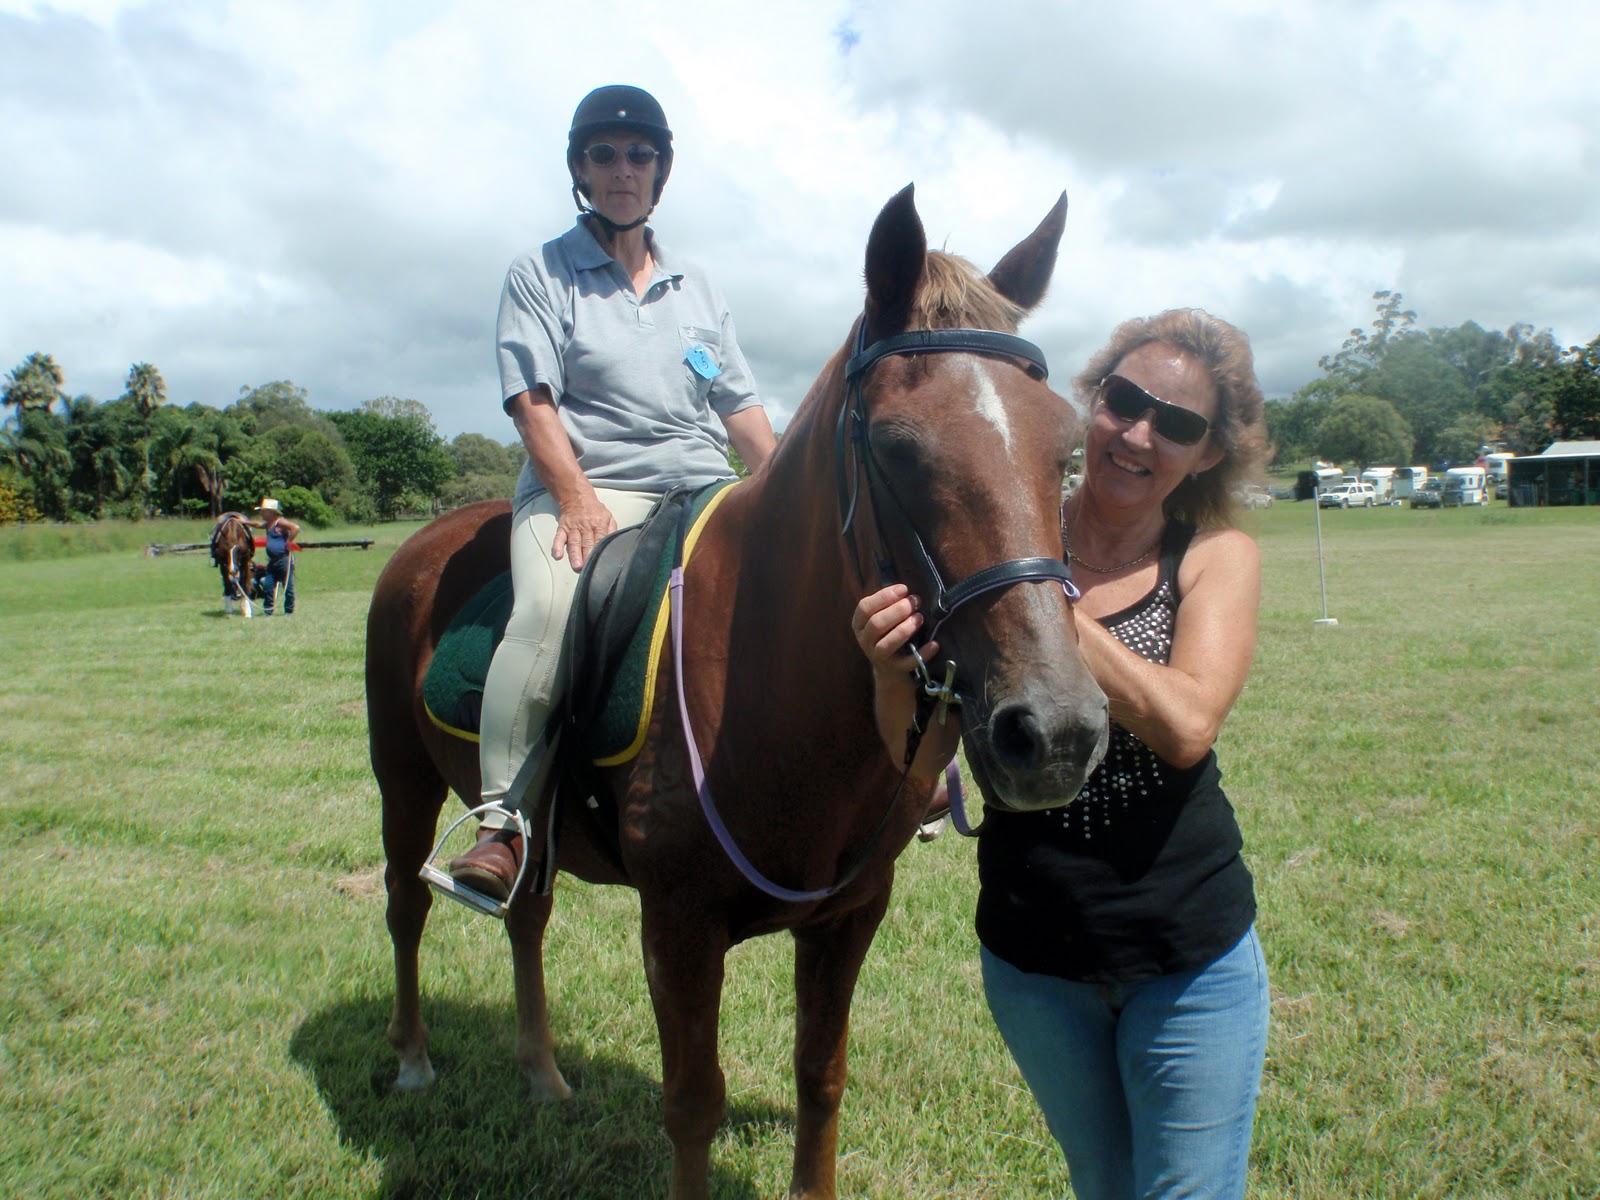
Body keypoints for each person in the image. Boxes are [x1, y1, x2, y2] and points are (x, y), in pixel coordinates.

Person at [853, 309, 1271, 1199]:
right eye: (1125, 401)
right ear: (1092, 402)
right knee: (1104, 1184)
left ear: (1206, 456)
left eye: (1179, 425)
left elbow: (1188, 724)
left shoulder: (1214, 556)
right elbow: (919, 765)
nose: (1140, 433)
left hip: (1187, 948)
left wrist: (1039, 603)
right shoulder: (996, 532)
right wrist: (891, 675)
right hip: (1033, 953)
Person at [447, 84, 777, 904]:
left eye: (639, 154)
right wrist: (576, 499)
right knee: (548, 613)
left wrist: (780, 489)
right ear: (581, 171)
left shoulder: (698, 287)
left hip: (702, 486)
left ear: (660, 171)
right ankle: (503, 822)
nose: (622, 168)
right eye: (604, 154)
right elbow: (531, 399)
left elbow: (739, 408)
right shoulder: (542, 272)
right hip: (596, 488)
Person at [251, 498, 300, 616]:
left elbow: (295, 528)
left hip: (283, 559)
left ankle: (288, 611)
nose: (261, 514)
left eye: (263, 511)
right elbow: (257, 524)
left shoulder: (280, 522)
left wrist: (288, 542)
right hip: (273, 561)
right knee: (268, 586)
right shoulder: (269, 524)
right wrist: (244, 522)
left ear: (271, 512)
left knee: (287, 587)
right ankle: (268, 611)